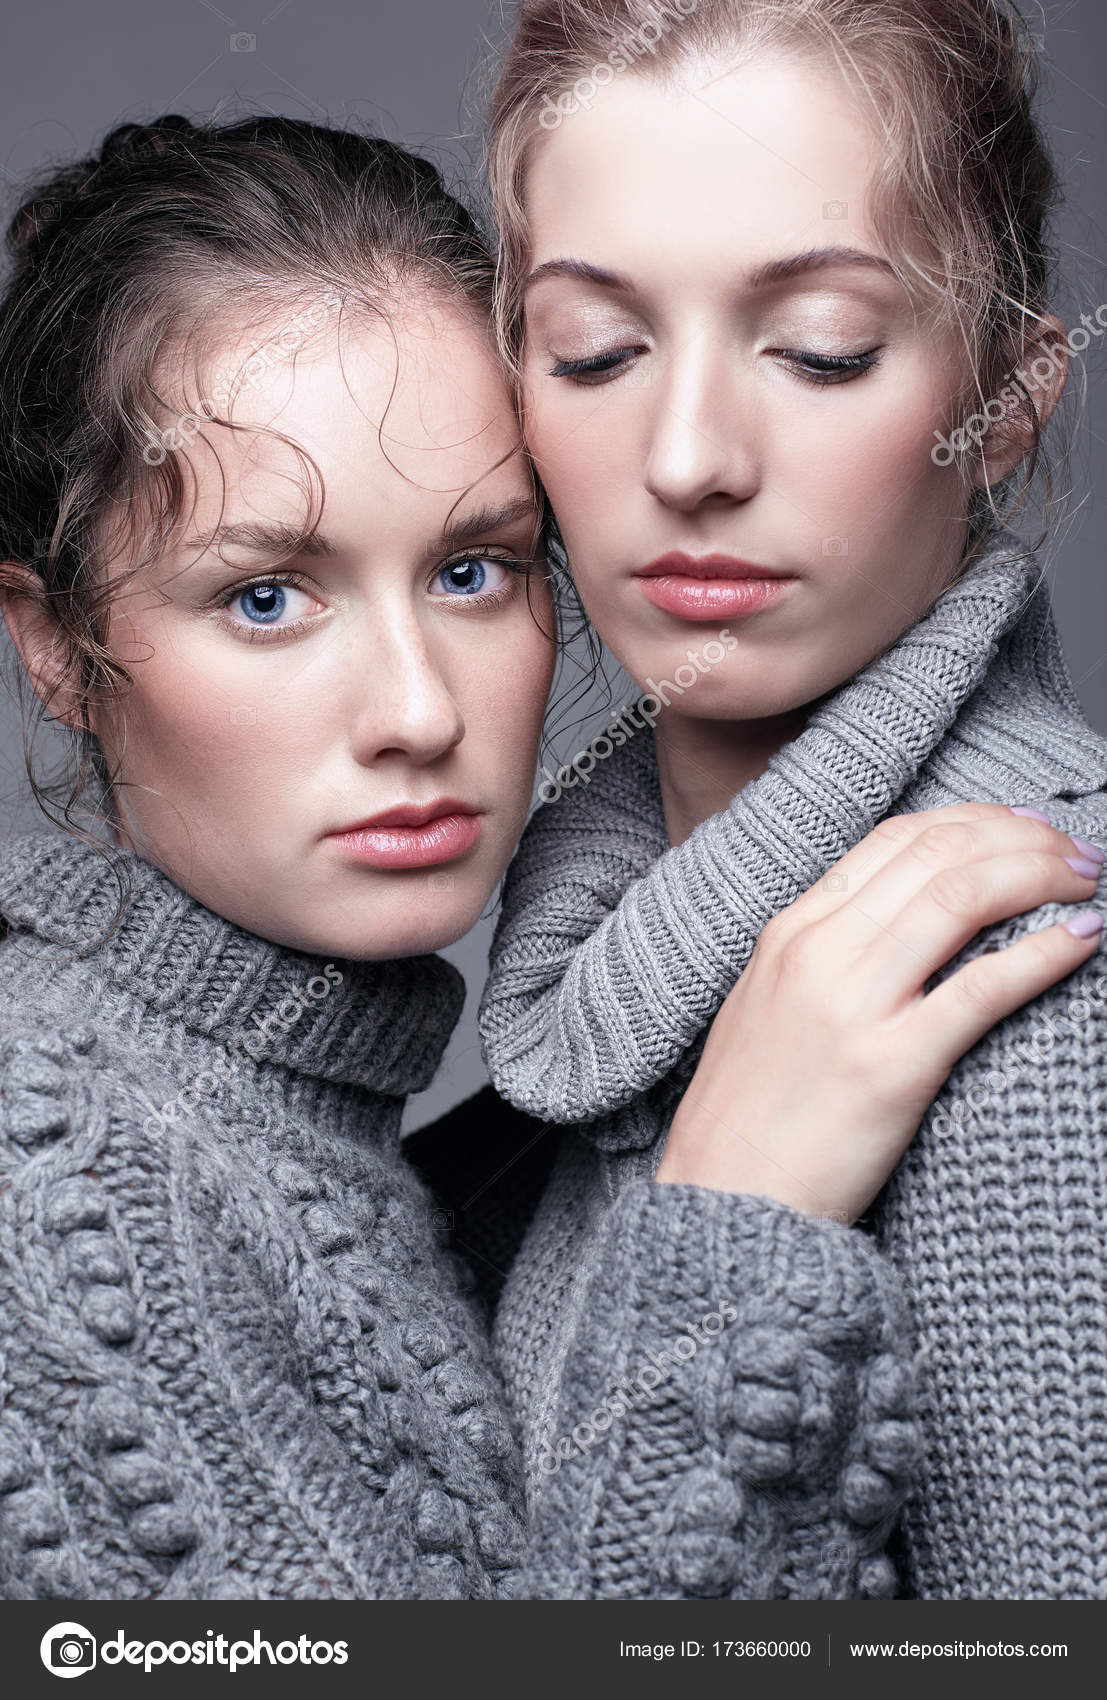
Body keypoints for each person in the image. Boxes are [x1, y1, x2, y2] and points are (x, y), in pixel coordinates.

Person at [0, 109, 1086, 1604]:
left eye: (472, 569)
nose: (417, 711)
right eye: (266, 597)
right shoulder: (71, 1201)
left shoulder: (361, 1137)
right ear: (54, 645)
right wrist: (734, 1217)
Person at [442, 0, 1107, 1599]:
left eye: (820, 350)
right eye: (596, 351)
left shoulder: (1036, 983)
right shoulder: (594, 952)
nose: (688, 456)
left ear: (1007, 403)